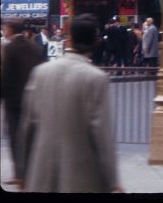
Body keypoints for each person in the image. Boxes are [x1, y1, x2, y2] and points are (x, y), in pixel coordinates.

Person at [16, 14, 123, 193]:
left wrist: (22, 173)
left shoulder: (40, 72)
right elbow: (102, 138)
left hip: (40, 175)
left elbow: (26, 128)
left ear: (69, 39)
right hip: (81, 179)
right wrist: (112, 182)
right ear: (95, 43)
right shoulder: (96, 79)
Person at [1, 18, 43, 185]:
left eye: (5, 27)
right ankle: (31, 171)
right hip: (32, 99)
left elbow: (6, 76)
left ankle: (19, 175)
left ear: (11, 29)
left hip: (13, 101)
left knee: (14, 138)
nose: (4, 30)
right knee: (30, 137)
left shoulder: (10, 48)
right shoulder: (34, 46)